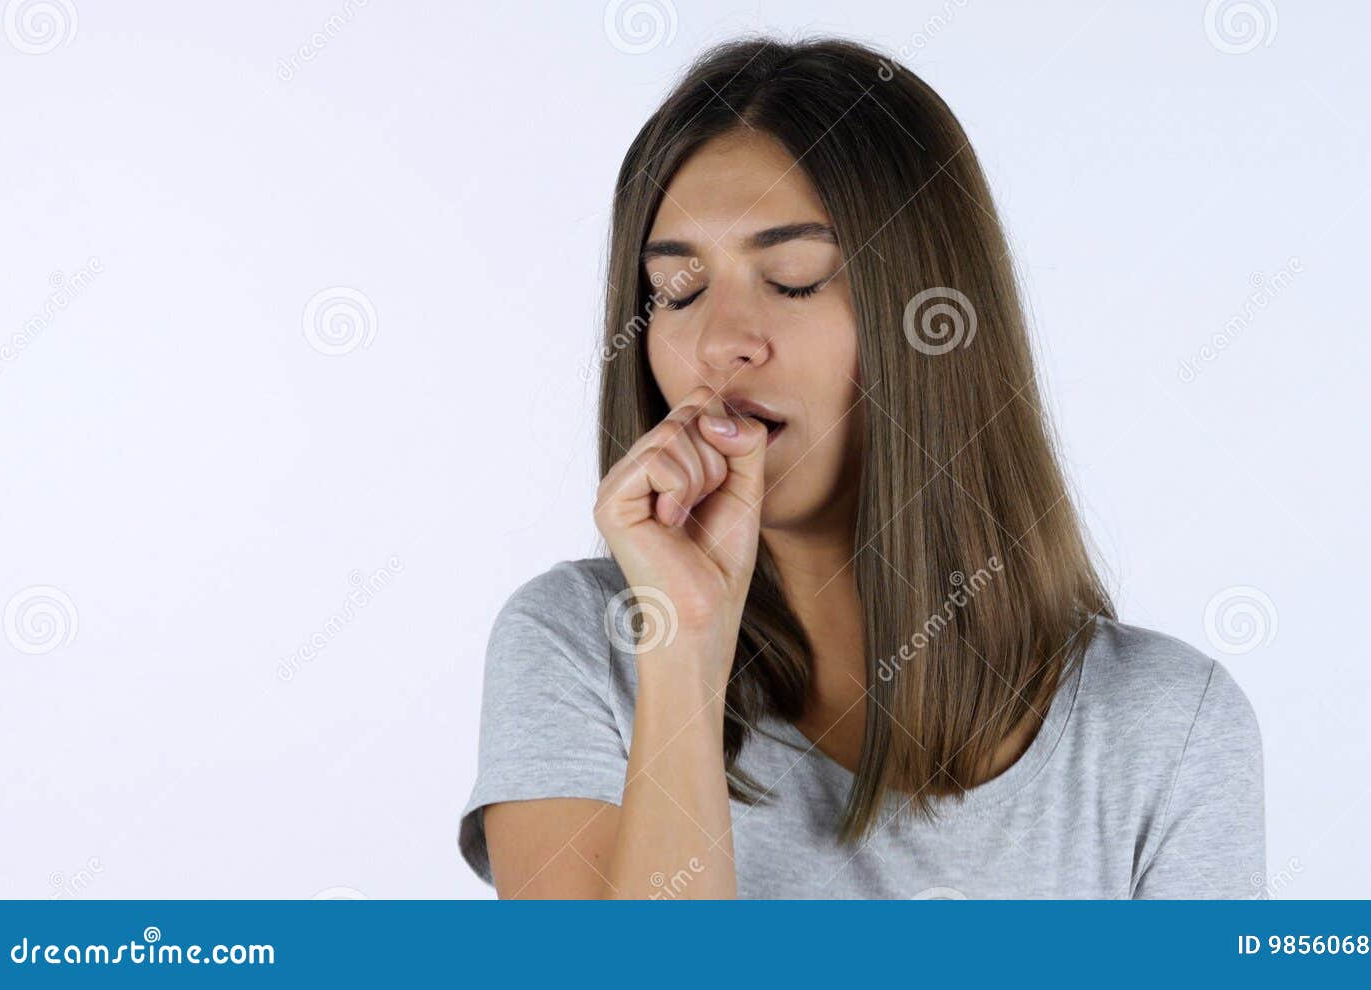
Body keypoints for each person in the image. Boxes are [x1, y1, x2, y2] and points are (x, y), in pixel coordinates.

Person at [458, 36, 1265, 899]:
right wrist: (684, 643)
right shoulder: (580, 646)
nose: (721, 342)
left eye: (794, 279)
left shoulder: (1170, 728)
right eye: (678, 292)